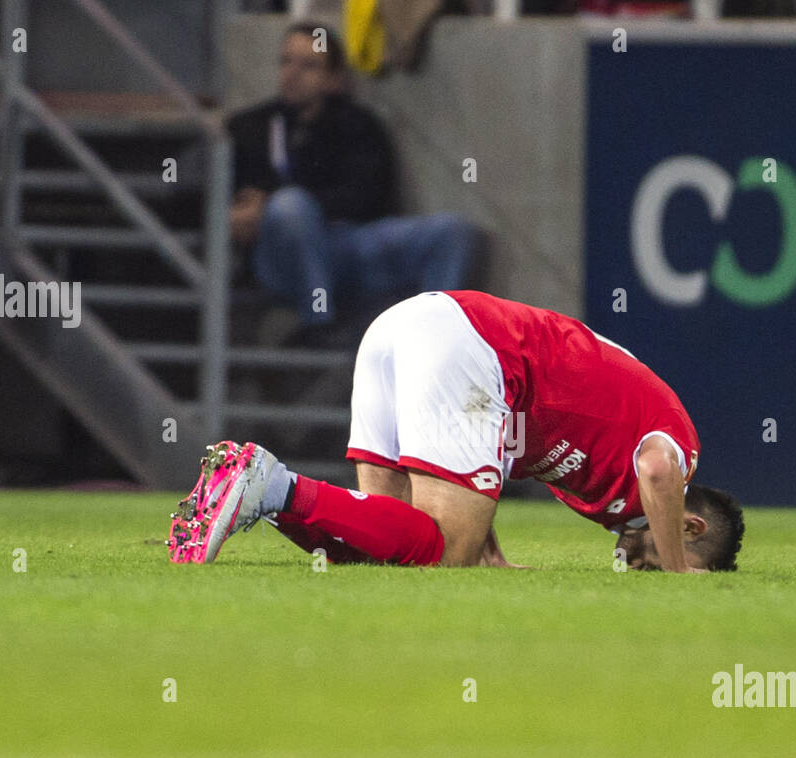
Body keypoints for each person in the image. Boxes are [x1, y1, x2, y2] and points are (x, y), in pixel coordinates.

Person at [167, 290, 744, 572]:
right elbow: (659, 473)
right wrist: (677, 582)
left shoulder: (600, 491)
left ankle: (253, 492)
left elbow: (498, 442)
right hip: (469, 346)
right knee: (445, 552)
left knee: (385, 553)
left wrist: (488, 545)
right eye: (682, 558)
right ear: (689, 528)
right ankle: (272, 485)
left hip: (408, 330)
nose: (642, 570)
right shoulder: (679, 450)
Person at [227, 23, 481, 342]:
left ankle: (433, 348)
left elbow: (366, 197)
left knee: (453, 232)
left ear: (334, 79)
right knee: (290, 207)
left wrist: (271, 203)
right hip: (279, 254)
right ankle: (318, 324)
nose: (292, 74)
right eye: (286, 62)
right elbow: (216, 196)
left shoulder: (358, 125)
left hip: (345, 246)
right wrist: (234, 216)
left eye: (308, 66)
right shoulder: (248, 126)